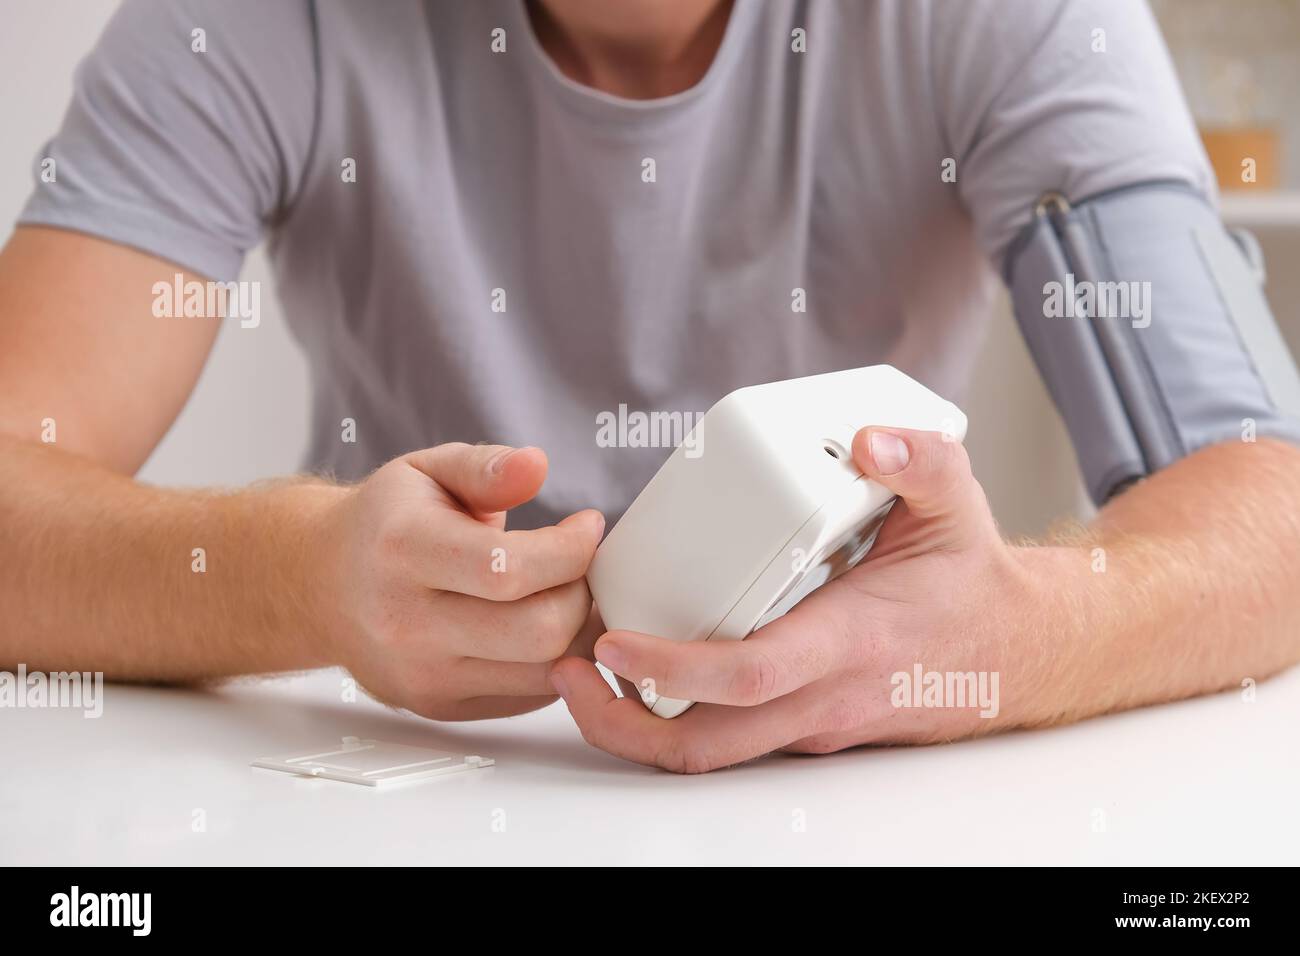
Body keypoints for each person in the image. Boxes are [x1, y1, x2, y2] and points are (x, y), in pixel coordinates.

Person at [2, 0, 1298, 773]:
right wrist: (299, 579)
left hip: (858, 799)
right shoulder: (253, 24)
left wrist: (1000, 637)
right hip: (405, 781)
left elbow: (1270, 507)